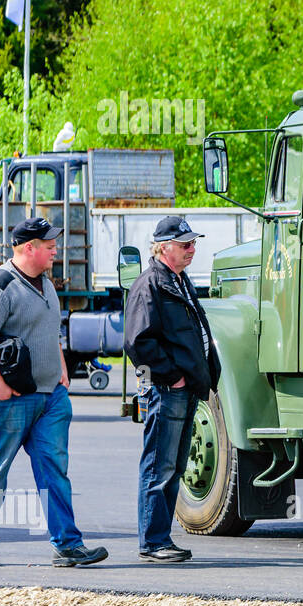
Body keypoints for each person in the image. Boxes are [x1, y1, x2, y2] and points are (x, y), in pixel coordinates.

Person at [0, 217, 108, 568]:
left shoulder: (46, 284)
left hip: (50, 398)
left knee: (55, 472)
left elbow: (51, 328)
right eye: (50, 245)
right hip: (13, 399)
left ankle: (68, 546)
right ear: (30, 248)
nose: (56, 250)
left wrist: (60, 366)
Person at [124, 216, 221, 563]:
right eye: (185, 244)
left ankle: (159, 538)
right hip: (167, 391)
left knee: (173, 467)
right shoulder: (150, 284)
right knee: (159, 467)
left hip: (183, 390)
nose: (192, 249)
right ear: (164, 247)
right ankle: (153, 541)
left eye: (193, 243)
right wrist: (171, 377)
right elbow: (137, 342)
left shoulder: (177, 281)